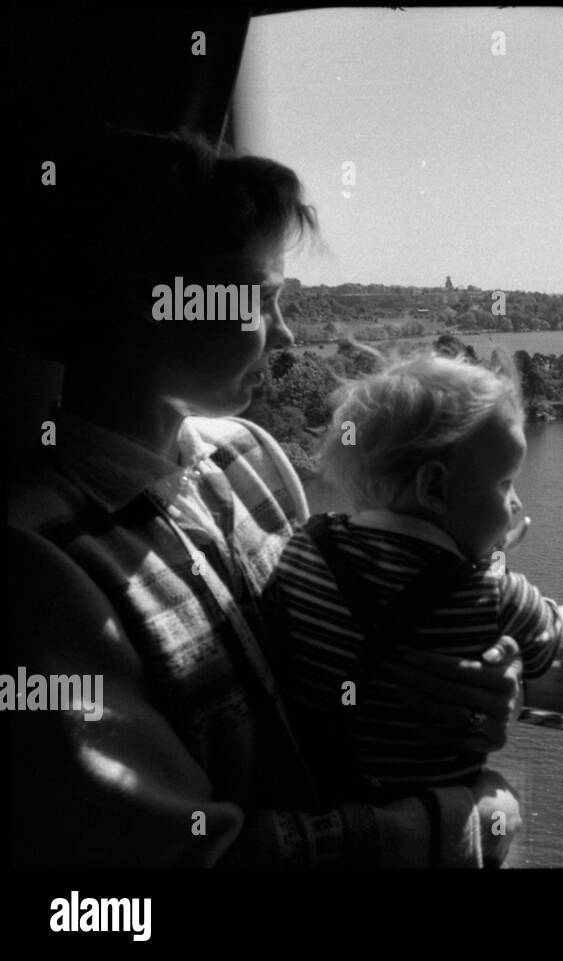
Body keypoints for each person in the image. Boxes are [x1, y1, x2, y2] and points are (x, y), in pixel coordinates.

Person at [7, 127, 525, 867]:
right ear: (156, 300)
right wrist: (459, 823)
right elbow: (184, 864)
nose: (285, 337)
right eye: (261, 298)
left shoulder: (249, 456)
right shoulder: (37, 563)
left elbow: (319, 674)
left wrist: (448, 679)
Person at [269, 349, 563, 865]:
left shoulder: (307, 548)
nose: (516, 505)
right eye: (505, 484)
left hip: (314, 803)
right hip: (433, 823)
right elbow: (560, 637)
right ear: (435, 487)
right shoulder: (492, 591)